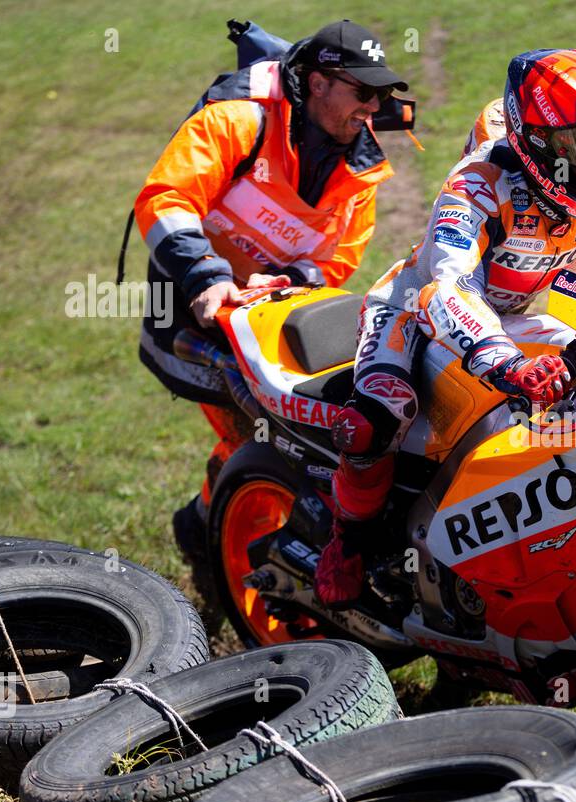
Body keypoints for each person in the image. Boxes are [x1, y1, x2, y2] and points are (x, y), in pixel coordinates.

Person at [314, 48, 576, 607]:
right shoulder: (477, 186)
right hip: (413, 310)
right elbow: (448, 287)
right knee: (377, 418)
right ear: (540, 146)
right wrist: (507, 362)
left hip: (519, 313)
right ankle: (347, 543)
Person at [133, 19, 409, 564]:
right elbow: (165, 199)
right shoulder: (238, 120)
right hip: (192, 308)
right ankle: (232, 548)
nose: (373, 109)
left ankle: (212, 529)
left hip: (267, 320)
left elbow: (338, 257)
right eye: (363, 91)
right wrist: (209, 278)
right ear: (318, 82)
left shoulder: (361, 164)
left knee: (281, 440)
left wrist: (288, 282)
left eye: (381, 95)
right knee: (262, 442)